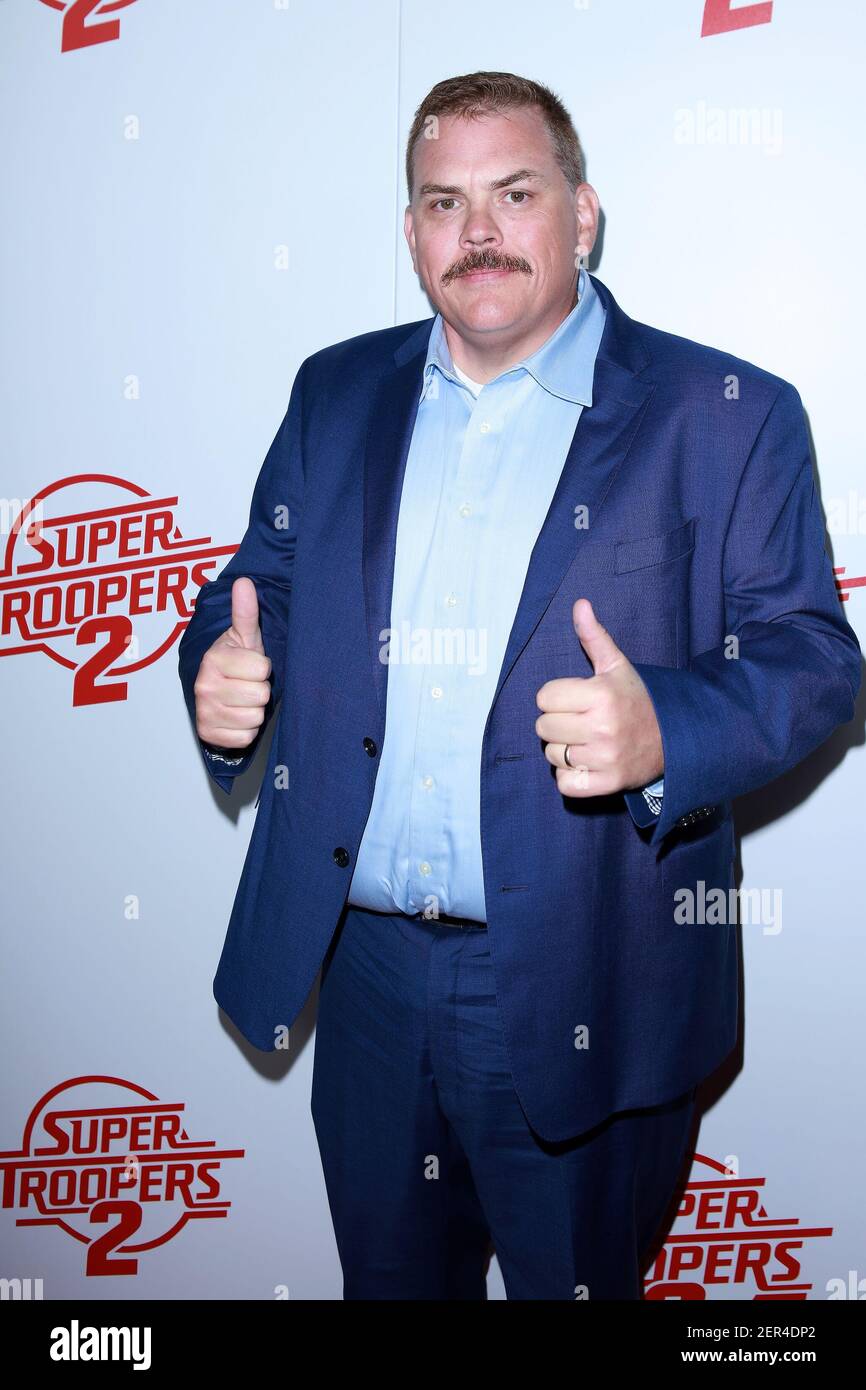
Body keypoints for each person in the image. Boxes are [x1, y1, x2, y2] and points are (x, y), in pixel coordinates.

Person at [178, 72, 861, 1299]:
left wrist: (670, 726)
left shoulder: (728, 414)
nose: (477, 231)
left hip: (585, 979)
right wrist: (220, 676)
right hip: (371, 984)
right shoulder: (334, 392)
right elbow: (256, 591)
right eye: (443, 202)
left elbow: (812, 657)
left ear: (581, 215)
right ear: (409, 235)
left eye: (513, 193)